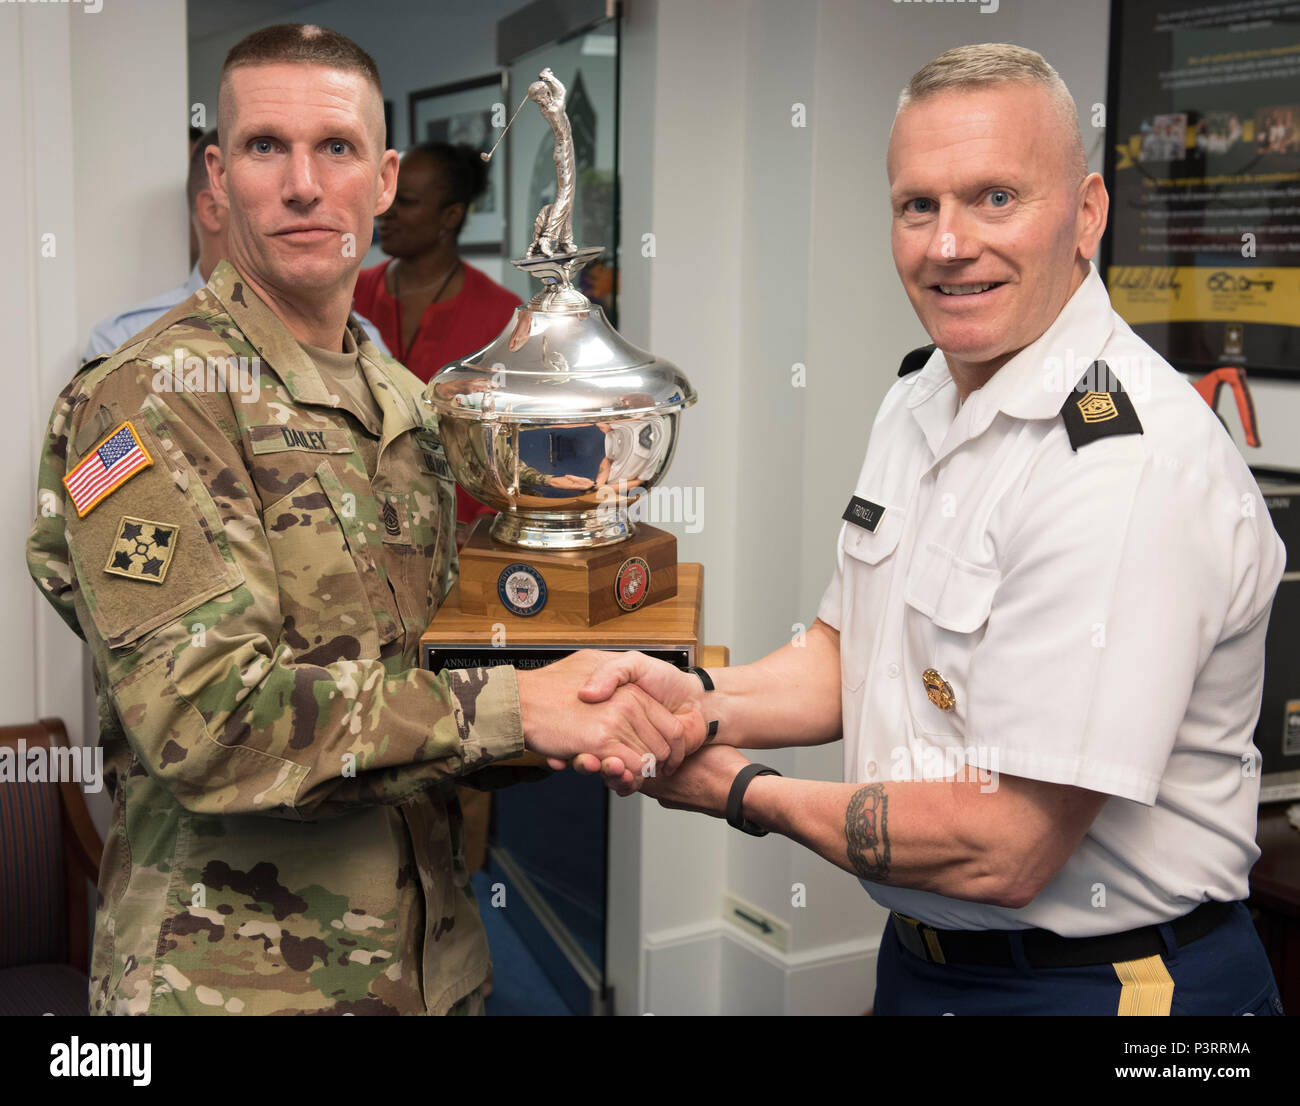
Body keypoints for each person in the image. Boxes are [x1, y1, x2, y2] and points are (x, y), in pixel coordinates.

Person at [576, 43, 1287, 1016]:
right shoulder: (921, 394)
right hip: (925, 961)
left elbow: (1004, 844)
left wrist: (739, 788)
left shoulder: (1127, 461)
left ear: (1085, 214)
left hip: (1109, 985)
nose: (948, 244)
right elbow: (852, 649)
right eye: (919, 205)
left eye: (995, 197)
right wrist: (699, 698)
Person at [26, 22, 701, 1017]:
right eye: (266, 147)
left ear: (382, 178)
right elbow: (208, 722)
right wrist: (522, 708)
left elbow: (419, 672)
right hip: (229, 985)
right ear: (218, 176)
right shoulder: (149, 399)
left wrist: (591, 699)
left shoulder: (402, 396)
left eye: (335, 147)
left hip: (431, 966)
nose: (304, 184)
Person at [83, 128, 391, 363]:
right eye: (262, 191)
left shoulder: (356, 338)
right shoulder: (129, 341)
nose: (301, 196)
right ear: (213, 208)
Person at [355, 141, 521, 534]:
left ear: (451, 216)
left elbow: (513, 449)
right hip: (362, 527)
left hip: (462, 536)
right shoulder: (348, 296)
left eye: (407, 202)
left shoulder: (502, 316)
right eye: (388, 197)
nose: (387, 213)